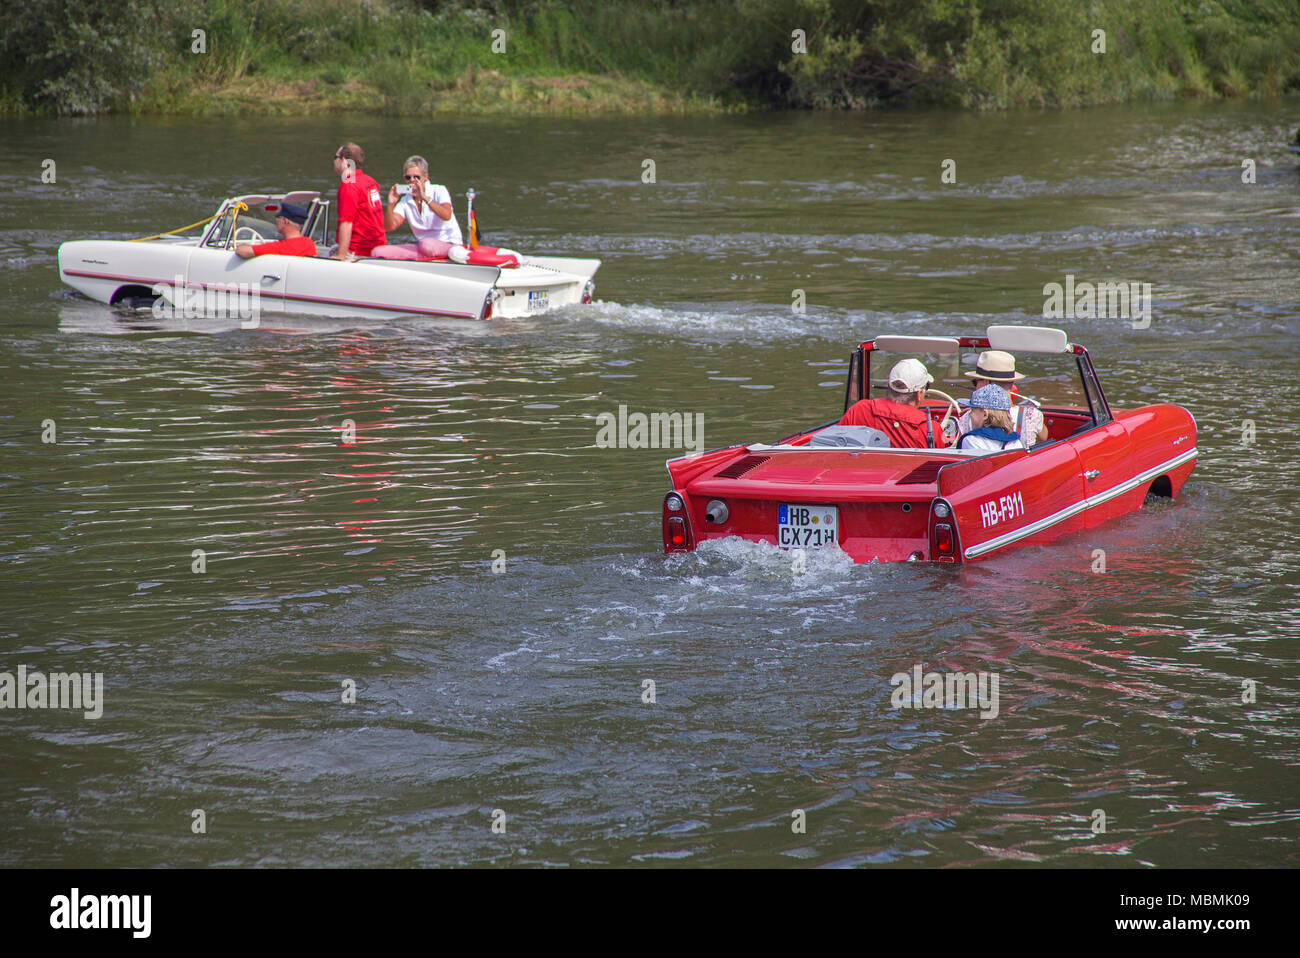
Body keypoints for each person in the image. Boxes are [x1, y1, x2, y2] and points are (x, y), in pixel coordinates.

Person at [371, 155, 470, 263]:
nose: (412, 180)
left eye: (416, 177)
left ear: (425, 177)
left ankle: (455, 252)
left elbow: (447, 215)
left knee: (426, 244)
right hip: (423, 247)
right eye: (408, 177)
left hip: (447, 243)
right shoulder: (405, 200)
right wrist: (391, 204)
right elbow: (390, 227)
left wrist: (425, 198)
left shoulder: (439, 190)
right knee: (377, 252)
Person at [839, 358, 948, 448]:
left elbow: (836, 441)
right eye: (926, 387)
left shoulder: (859, 410)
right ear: (919, 394)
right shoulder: (929, 428)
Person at [954, 350, 1048, 445]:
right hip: (1022, 459)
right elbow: (1043, 439)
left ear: (986, 383)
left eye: (975, 382)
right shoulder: (1033, 415)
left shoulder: (969, 417)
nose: (975, 387)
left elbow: (960, 446)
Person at [331, 142, 386, 260]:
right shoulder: (371, 182)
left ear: (344, 161)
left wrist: (341, 256)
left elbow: (346, 223)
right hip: (376, 247)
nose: (334, 161)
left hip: (358, 251)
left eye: (336, 157)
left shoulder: (349, 185)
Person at [234, 202, 316, 259]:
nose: (276, 221)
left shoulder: (279, 247)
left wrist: (242, 245)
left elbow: (241, 251)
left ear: (285, 221)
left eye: (278, 218)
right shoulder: (309, 243)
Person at [957, 385, 1025, 452]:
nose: (970, 415)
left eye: (972, 411)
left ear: (985, 414)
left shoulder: (971, 441)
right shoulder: (1016, 443)